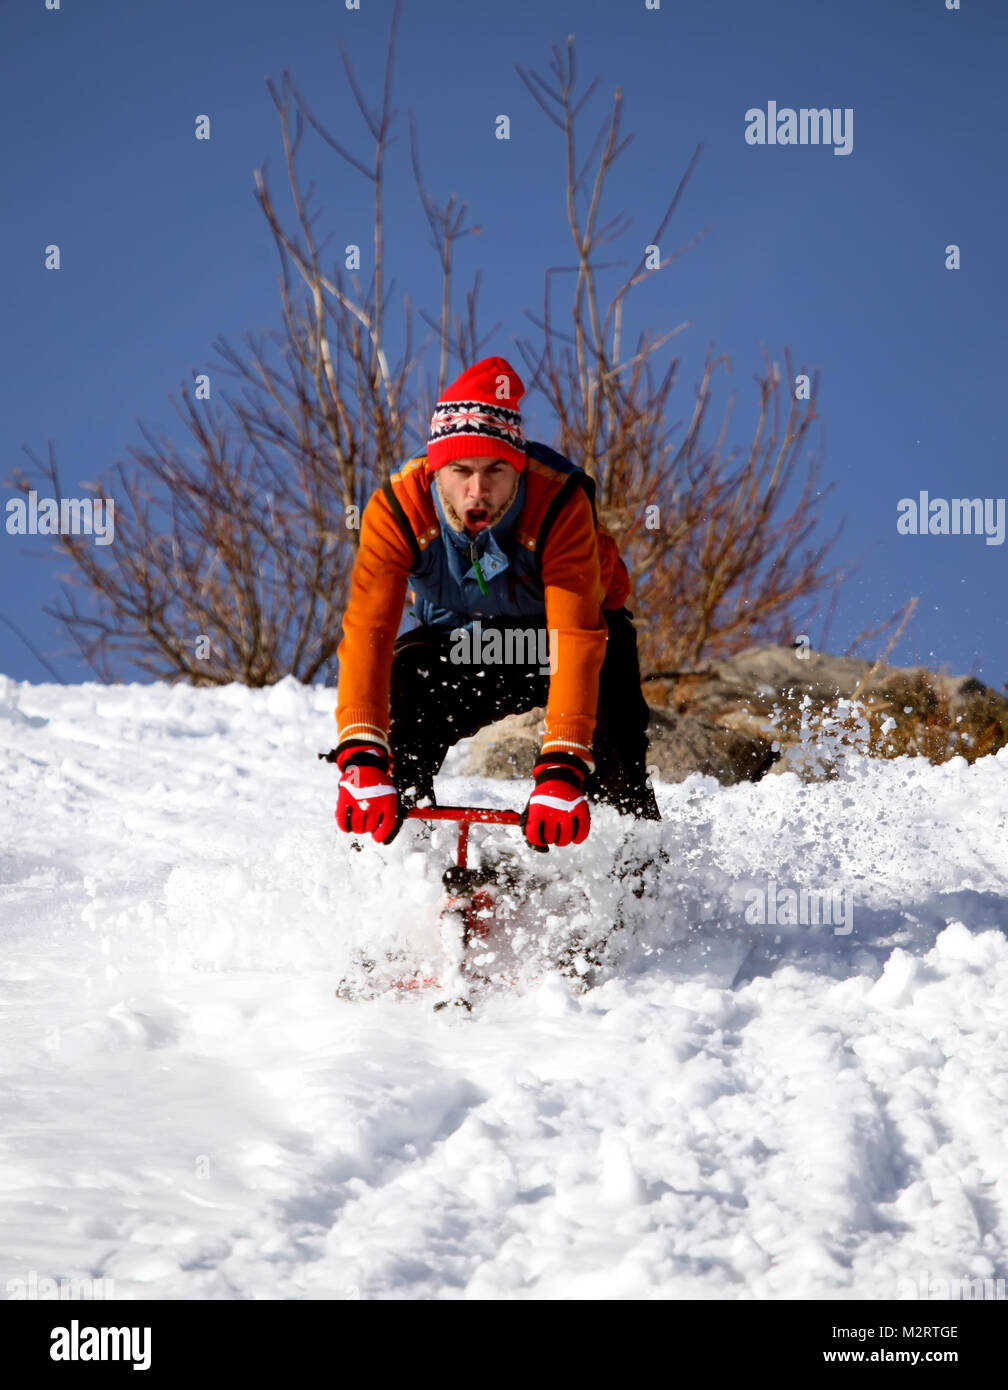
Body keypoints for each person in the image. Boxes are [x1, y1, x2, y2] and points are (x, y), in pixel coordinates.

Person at [326, 355, 661, 849]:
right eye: (460, 470)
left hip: (561, 644)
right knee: (398, 709)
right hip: (461, 644)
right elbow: (368, 633)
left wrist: (563, 767)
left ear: (520, 469)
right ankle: (398, 860)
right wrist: (361, 755)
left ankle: (634, 882)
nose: (477, 491)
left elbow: (573, 638)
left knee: (615, 754)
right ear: (434, 469)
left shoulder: (559, 502)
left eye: (496, 471)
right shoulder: (398, 507)